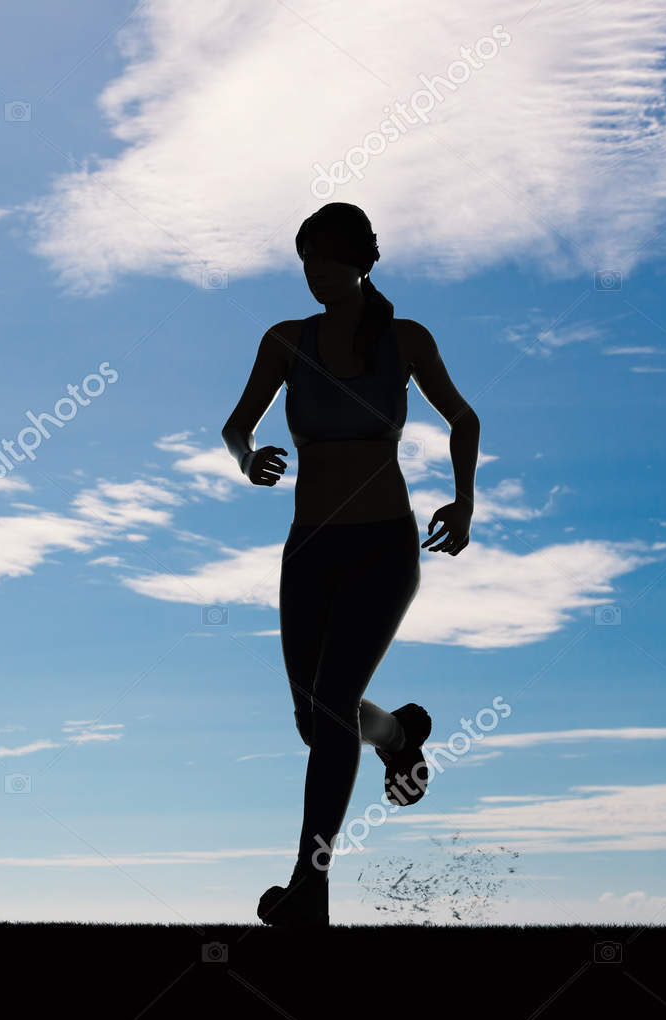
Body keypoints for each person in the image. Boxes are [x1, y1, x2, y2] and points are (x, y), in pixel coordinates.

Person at [221, 202, 480, 928]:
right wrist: (248, 459)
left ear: (362, 259)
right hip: (309, 548)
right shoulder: (284, 341)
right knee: (315, 720)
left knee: (332, 705)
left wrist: (463, 504)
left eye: (329, 258)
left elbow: (464, 417)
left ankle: (309, 891)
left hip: (381, 546)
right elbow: (236, 424)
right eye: (306, 260)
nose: (316, 273)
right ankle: (399, 734)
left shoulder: (405, 339)